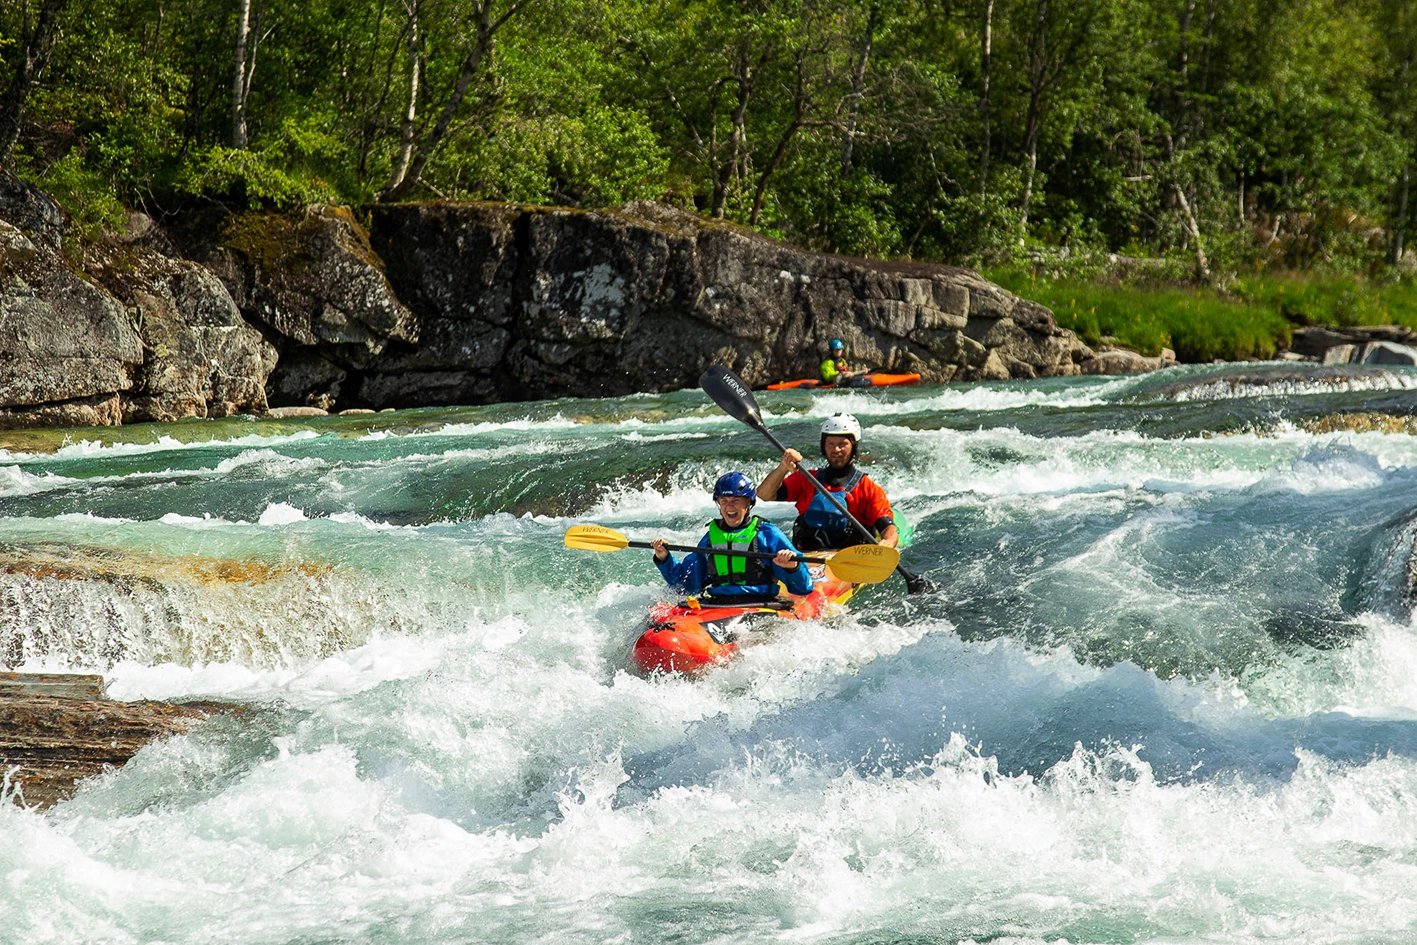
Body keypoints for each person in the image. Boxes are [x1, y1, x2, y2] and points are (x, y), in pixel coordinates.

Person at [651, 471, 814, 600]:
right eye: (724, 501)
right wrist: (664, 558)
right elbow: (684, 585)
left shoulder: (767, 534)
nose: (729, 506)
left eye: (736, 500)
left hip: (759, 603)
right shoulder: (710, 539)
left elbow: (803, 587)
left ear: (748, 503)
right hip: (719, 604)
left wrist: (793, 567)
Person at [756, 413, 900, 552]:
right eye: (830, 443)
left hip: (851, 561)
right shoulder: (807, 479)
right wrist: (783, 467)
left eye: (842, 444)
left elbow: (888, 528)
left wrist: (887, 543)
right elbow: (764, 495)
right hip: (807, 559)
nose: (836, 449)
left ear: (853, 446)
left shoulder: (868, 488)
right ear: (823, 446)